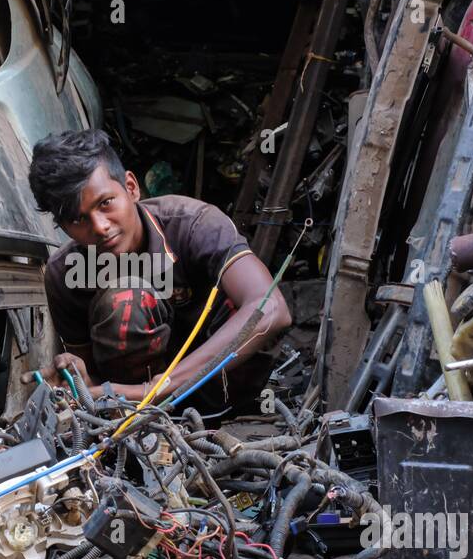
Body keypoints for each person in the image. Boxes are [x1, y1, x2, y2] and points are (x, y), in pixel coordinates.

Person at [26, 129, 291, 411]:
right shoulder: (64, 275)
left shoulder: (194, 223)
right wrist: (78, 377)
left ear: (131, 187)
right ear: (63, 227)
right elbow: (93, 382)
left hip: (227, 389)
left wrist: (155, 389)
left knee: (128, 297)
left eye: (105, 203)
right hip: (142, 412)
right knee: (127, 298)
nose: (100, 226)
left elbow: (272, 308)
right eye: (78, 219)